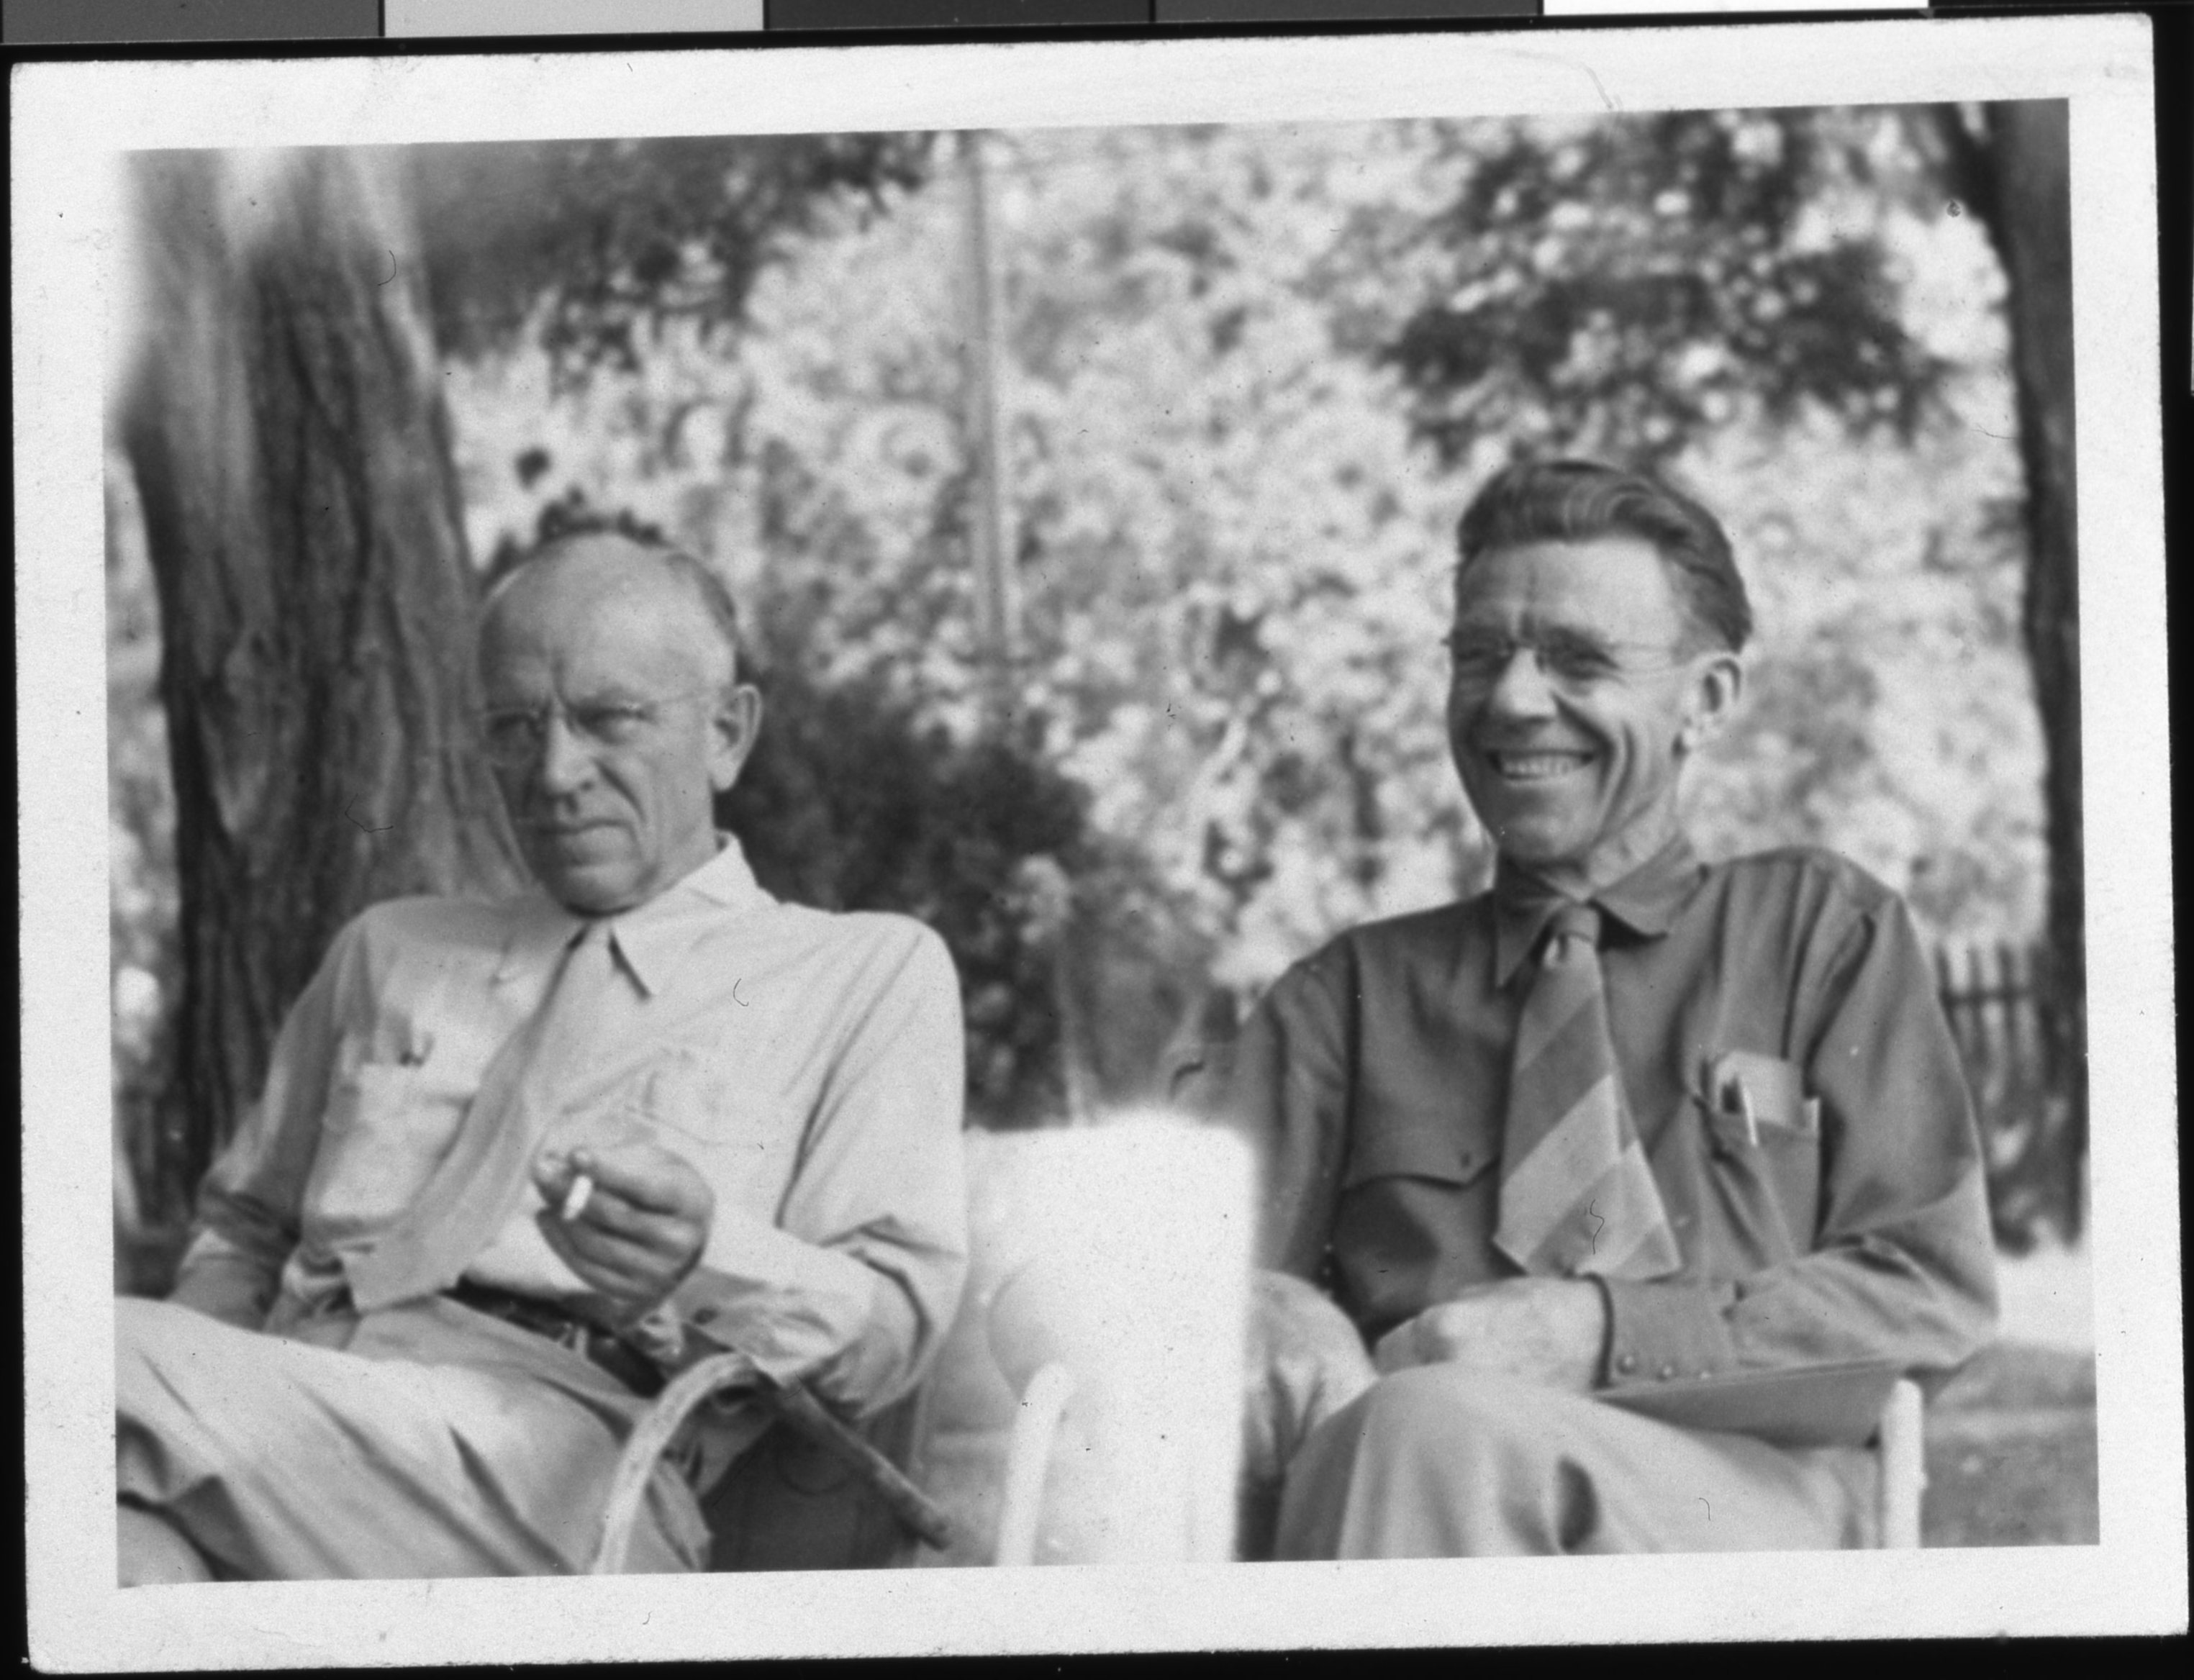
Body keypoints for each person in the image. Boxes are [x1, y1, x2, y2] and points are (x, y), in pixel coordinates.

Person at [115, 532, 969, 1581]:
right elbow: (244, 1235)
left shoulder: (861, 971)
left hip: (562, 1472)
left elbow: (892, 1334)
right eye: (515, 729)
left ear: (727, 734)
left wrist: (706, 1259)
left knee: (63, 1355)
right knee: (105, 1562)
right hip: (289, 1432)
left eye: (609, 720)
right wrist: (202, 1400)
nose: (555, 774)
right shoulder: (391, 950)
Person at [1213, 460, 1997, 1558]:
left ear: (1705, 699)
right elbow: (1147, 1270)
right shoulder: (1345, 997)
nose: (1513, 698)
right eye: (1480, 656)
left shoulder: (1820, 934)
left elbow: (1929, 1296)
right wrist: (1251, 1301)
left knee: (1430, 1426)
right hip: (1410, 1503)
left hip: (1736, 1505)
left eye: (1578, 659)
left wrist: (1595, 1330)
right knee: (1419, 1432)